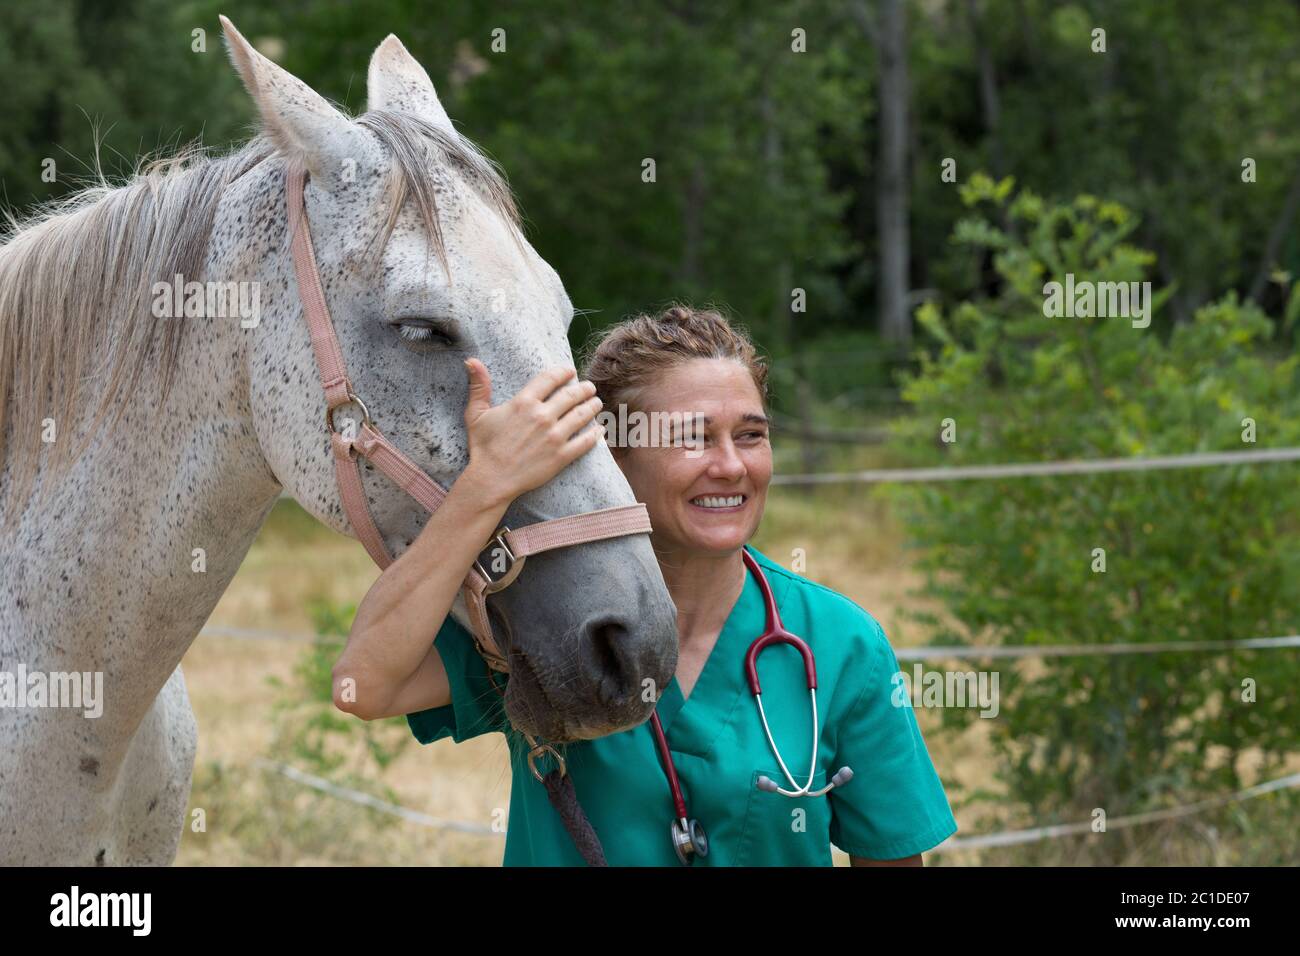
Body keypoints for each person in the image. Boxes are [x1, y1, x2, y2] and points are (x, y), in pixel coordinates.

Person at [334, 304, 957, 866]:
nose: (731, 465)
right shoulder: (538, 612)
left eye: (751, 434)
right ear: (611, 452)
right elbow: (364, 684)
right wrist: (483, 487)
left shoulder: (842, 645)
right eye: (691, 437)